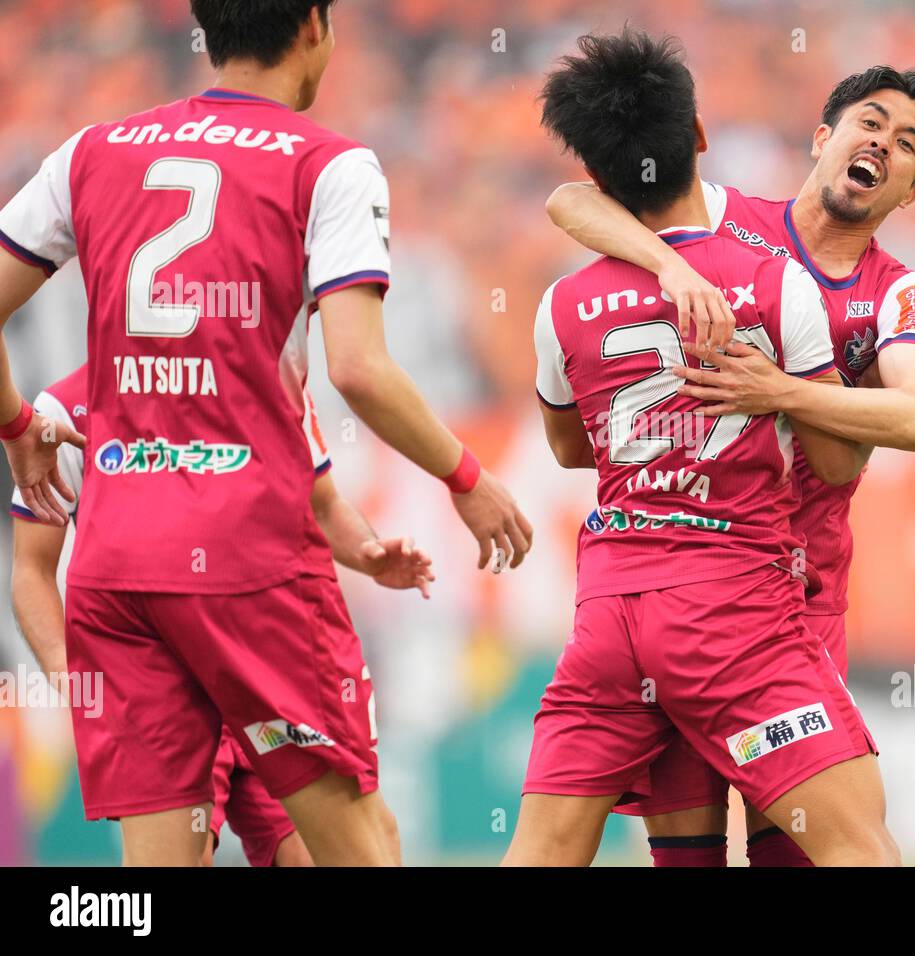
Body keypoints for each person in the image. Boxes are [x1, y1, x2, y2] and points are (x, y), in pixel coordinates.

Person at [0, 0, 530, 865]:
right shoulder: (331, 165)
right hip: (247, 558)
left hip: (115, 566)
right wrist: (466, 478)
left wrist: (17, 422)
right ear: (315, 26)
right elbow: (359, 370)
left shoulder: (89, 151)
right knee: (357, 845)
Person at [546, 63, 915, 865]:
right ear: (823, 136)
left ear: (909, 191)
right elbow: (569, 200)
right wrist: (670, 264)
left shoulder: (901, 297)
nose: (883, 143)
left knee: (794, 853)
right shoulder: (725, 222)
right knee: (689, 855)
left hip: (798, 603)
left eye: (909, 146)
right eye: (870, 122)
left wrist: (781, 392)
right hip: (688, 583)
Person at [11, 363, 431, 866]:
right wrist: (73, 678)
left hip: (259, 671)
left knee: (328, 852)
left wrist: (368, 553)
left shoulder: (268, 386)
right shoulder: (67, 413)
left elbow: (323, 504)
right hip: (160, 690)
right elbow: (31, 570)